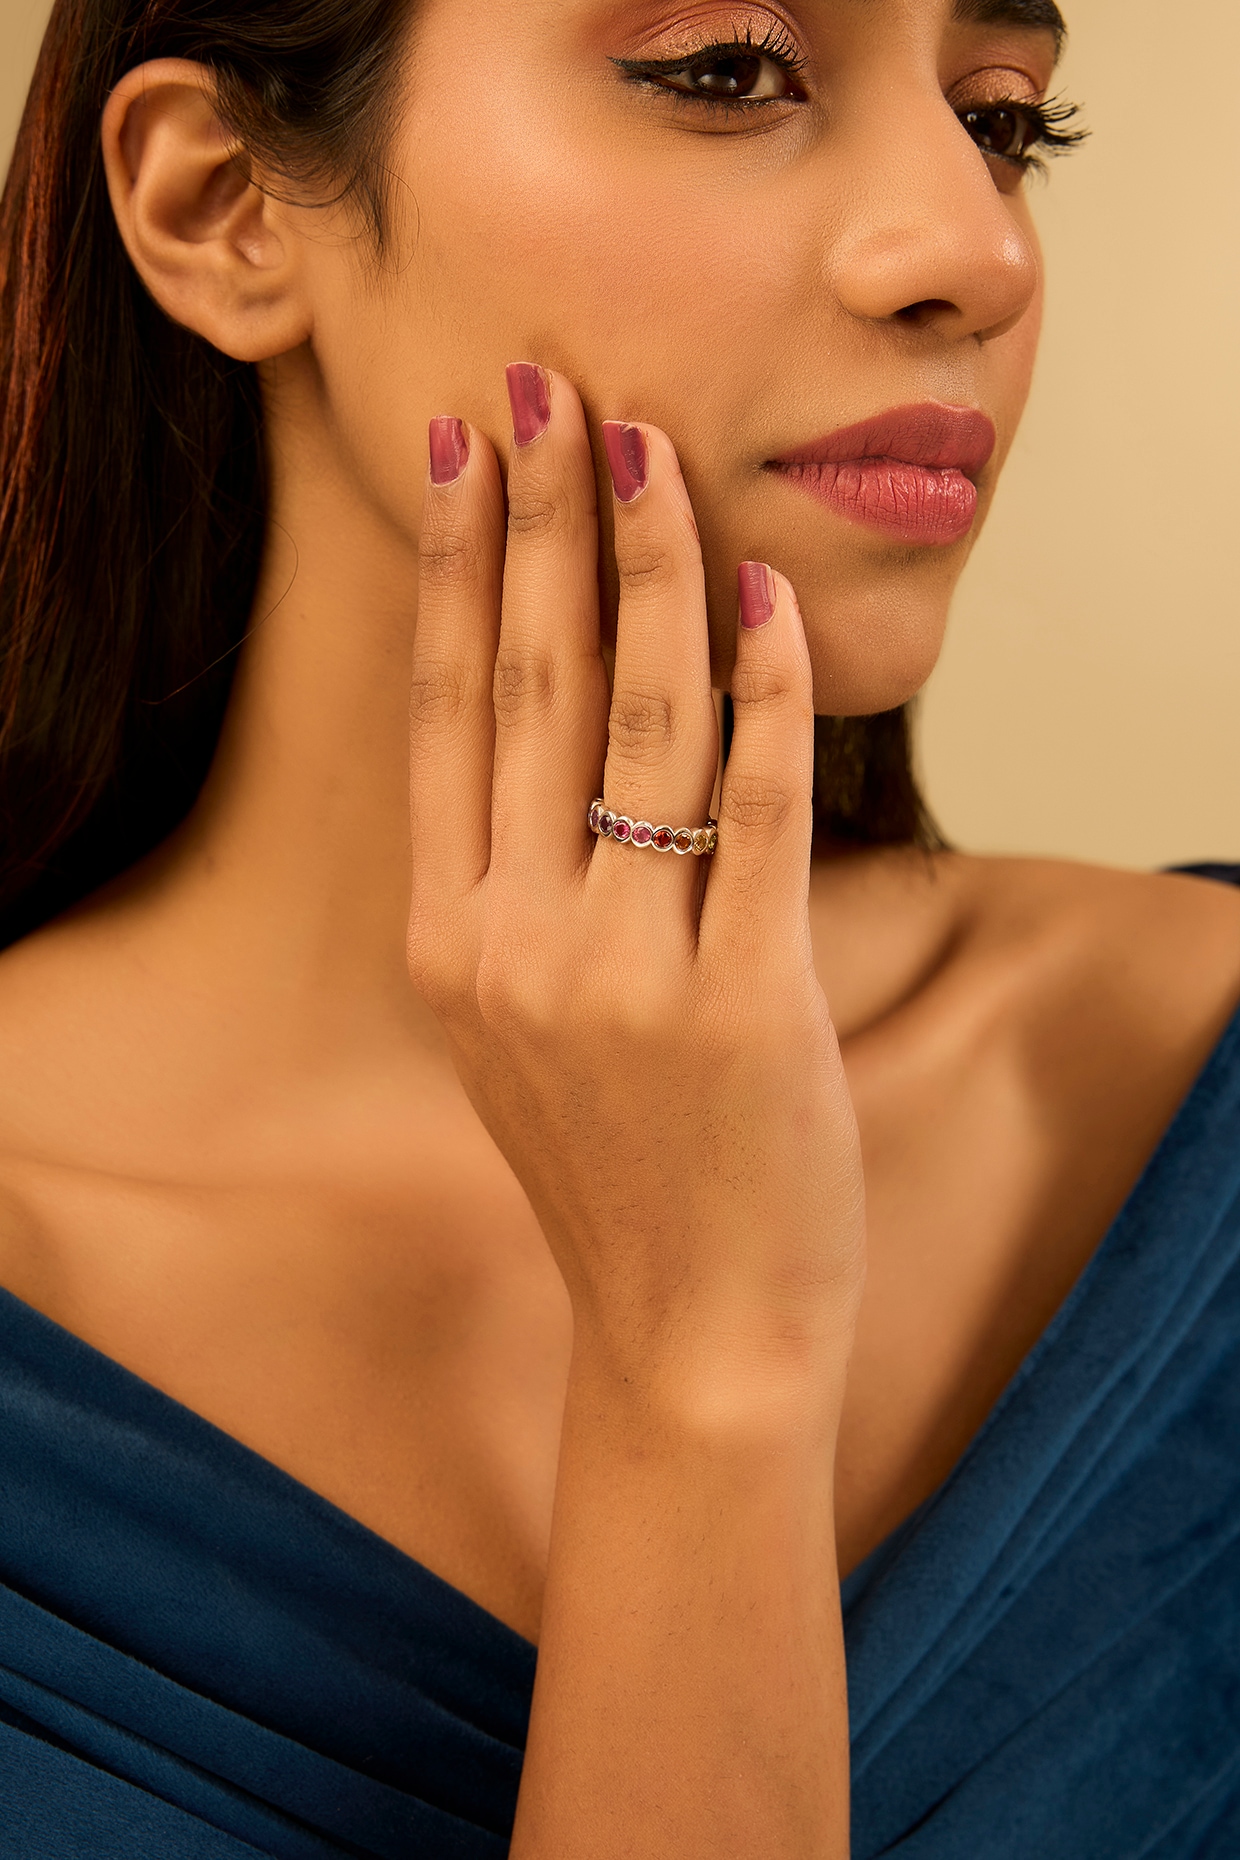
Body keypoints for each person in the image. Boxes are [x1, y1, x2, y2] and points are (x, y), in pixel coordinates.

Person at [0, 0, 1237, 1854]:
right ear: (228, 207)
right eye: (729, 70)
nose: (979, 251)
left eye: (1002, 118)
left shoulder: (1189, 1080)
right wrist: (702, 1368)